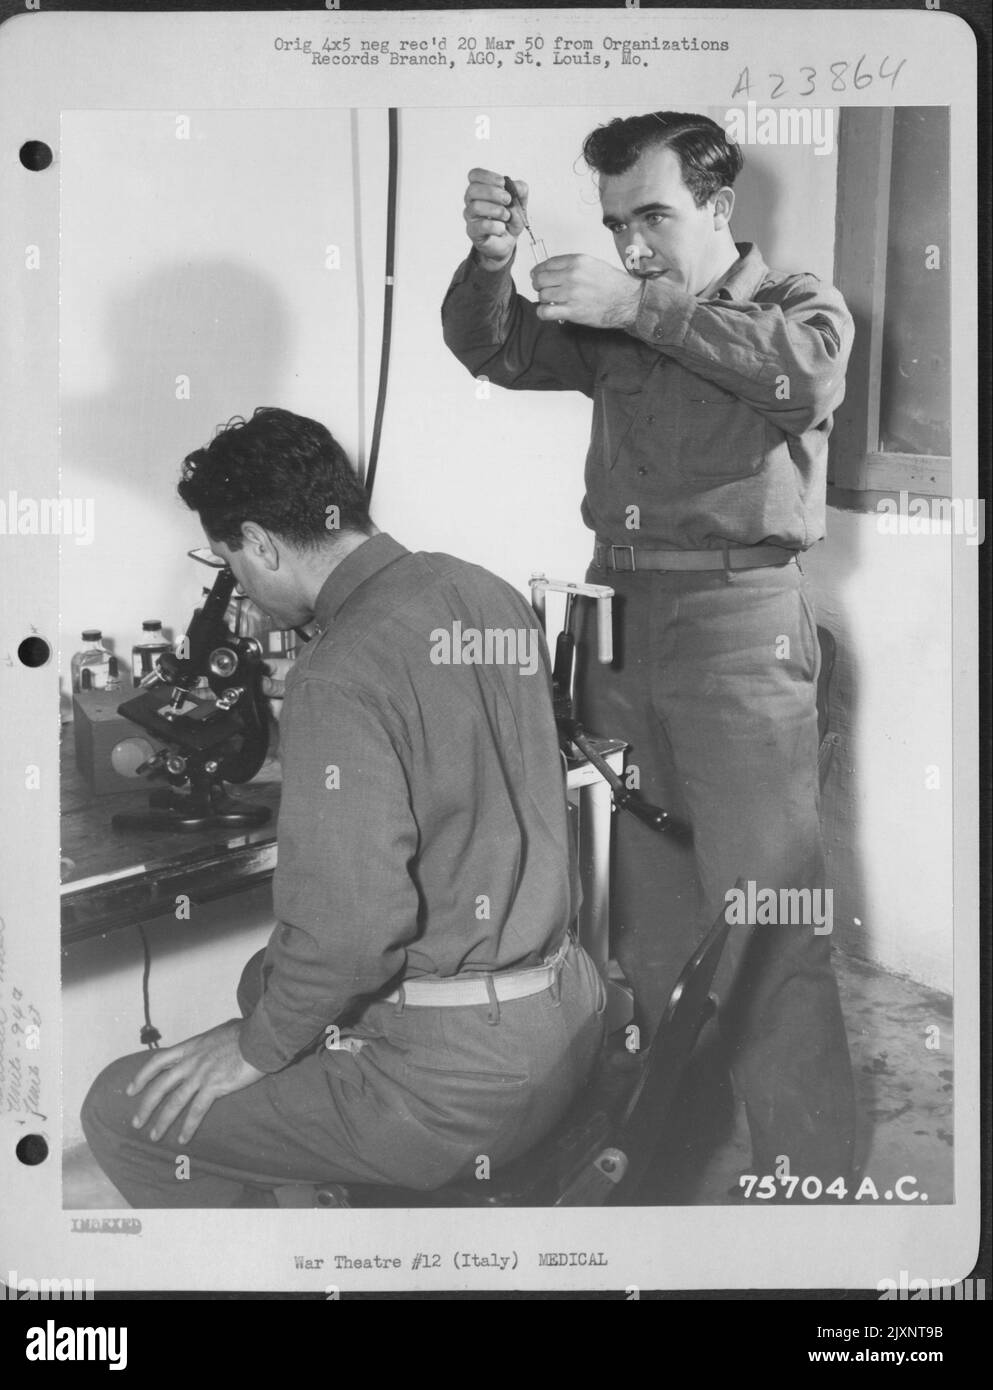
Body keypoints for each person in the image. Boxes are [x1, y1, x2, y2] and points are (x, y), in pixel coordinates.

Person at [442, 111, 856, 1188]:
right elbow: (494, 346)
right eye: (617, 221)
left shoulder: (796, 307)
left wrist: (646, 308)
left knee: (767, 925)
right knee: (651, 926)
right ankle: (669, 1156)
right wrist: (493, 266)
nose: (631, 244)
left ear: (720, 207)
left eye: (655, 217)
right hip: (619, 625)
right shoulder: (618, 321)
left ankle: (817, 1198)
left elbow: (801, 383)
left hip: (740, 630)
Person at [81, 407, 605, 1207]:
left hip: (461, 1085)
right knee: (264, 981)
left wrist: (254, 1049)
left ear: (260, 542)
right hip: (566, 1013)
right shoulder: (485, 591)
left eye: (229, 560)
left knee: (122, 1108)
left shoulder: (338, 674)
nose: (241, 585)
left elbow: (353, 934)